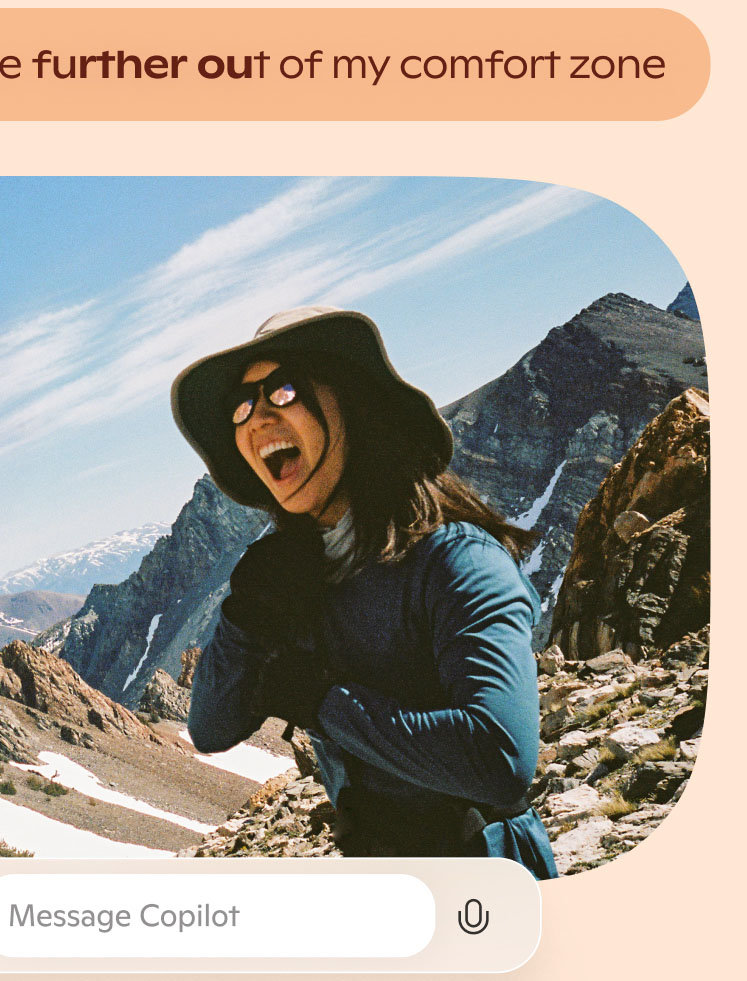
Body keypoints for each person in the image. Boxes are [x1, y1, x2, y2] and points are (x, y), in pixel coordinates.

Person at [170, 306, 557, 877]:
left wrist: (326, 705)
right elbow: (210, 727)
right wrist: (246, 616)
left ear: (350, 400)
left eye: (282, 391)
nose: (255, 420)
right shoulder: (298, 574)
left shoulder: (456, 559)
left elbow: (501, 756)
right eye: (242, 406)